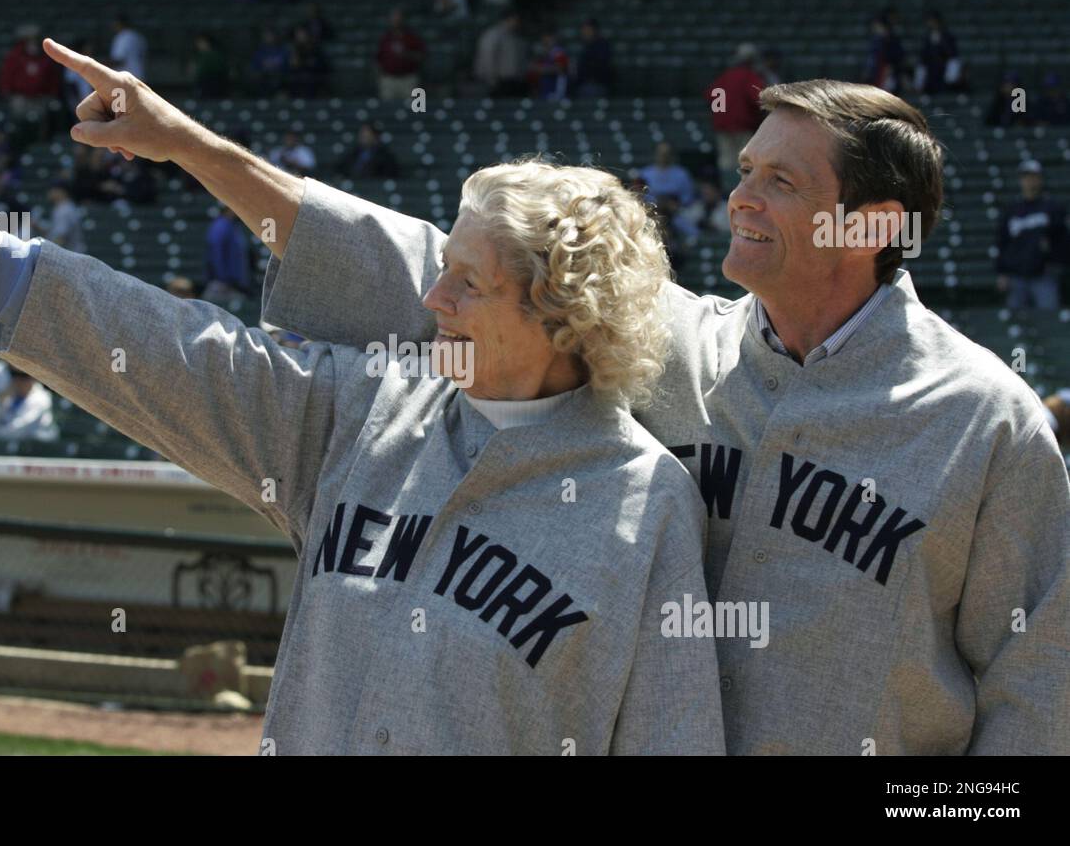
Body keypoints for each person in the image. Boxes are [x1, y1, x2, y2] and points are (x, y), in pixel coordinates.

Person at [0, 38, 727, 755]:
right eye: (441, 267)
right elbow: (186, 354)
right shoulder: (371, 409)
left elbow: (669, 737)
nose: (432, 300)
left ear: (562, 315)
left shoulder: (643, 503)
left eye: (468, 284)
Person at [241, 79, 1070, 755]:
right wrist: (184, 146)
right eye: (745, 169)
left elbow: (1036, 688)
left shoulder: (986, 421)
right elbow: (430, 263)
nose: (739, 197)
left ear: (873, 226)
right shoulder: (676, 340)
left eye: (780, 182)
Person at [995, 160, 1066, 310]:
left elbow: (1062, 239)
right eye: (1026, 177)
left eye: (1034, 177)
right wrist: (1002, 272)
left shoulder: (1052, 207)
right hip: (1017, 276)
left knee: (1049, 318)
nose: (1030, 181)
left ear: (1040, 179)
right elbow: (1002, 242)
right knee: (1015, 319)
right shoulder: (1012, 210)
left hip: (1044, 275)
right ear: (1021, 180)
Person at [704, 44, 765, 188]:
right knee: (745, 161)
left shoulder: (725, 76)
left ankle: (729, 191)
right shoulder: (750, 76)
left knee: (727, 161)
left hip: (723, 127)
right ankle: (742, 190)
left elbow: (711, 95)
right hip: (744, 126)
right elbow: (760, 98)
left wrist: (720, 114)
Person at [474, 11, 527, 98]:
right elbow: (487, 57)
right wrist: (491, 79)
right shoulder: (493, 34)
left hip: (513, 81)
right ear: (507, 20)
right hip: (497, 81)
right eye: (515, 20)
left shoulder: (515, 35)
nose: (517, 23)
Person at [375, 9, 425, 101]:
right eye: (393, 18)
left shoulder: (412, 37)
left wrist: (406, 54)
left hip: (408, 79)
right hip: (389, 80)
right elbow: (378, 59)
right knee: (387, 109)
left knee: (411, 110)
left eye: (398, 17)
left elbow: (421, 57)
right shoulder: (385, 38)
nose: (396, 20)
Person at [639, 143, 695, 208]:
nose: (663, 156)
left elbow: (688, 196)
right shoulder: (645, 173)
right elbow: (640, 195)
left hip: (677, 211)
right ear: (655, 154)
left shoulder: (682, 173)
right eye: (660, 153)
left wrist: (678, 204)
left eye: (666, 153)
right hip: (651, 210)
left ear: (672, 154)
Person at [36, 184, 86, 254]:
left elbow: (60, 238)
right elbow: (54, 233)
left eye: (52, 190)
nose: (49, 193)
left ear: (62, 192)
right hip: (70, 254)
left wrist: (50, 255)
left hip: (70, 256)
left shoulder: (64, 210)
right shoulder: (63, 207)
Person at [109, 14, 148, 81]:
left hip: (127, 79)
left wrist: (100, 65)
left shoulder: (123, 37)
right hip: (138, 75)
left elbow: (119, 60)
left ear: (119, 23)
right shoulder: (138, 36)